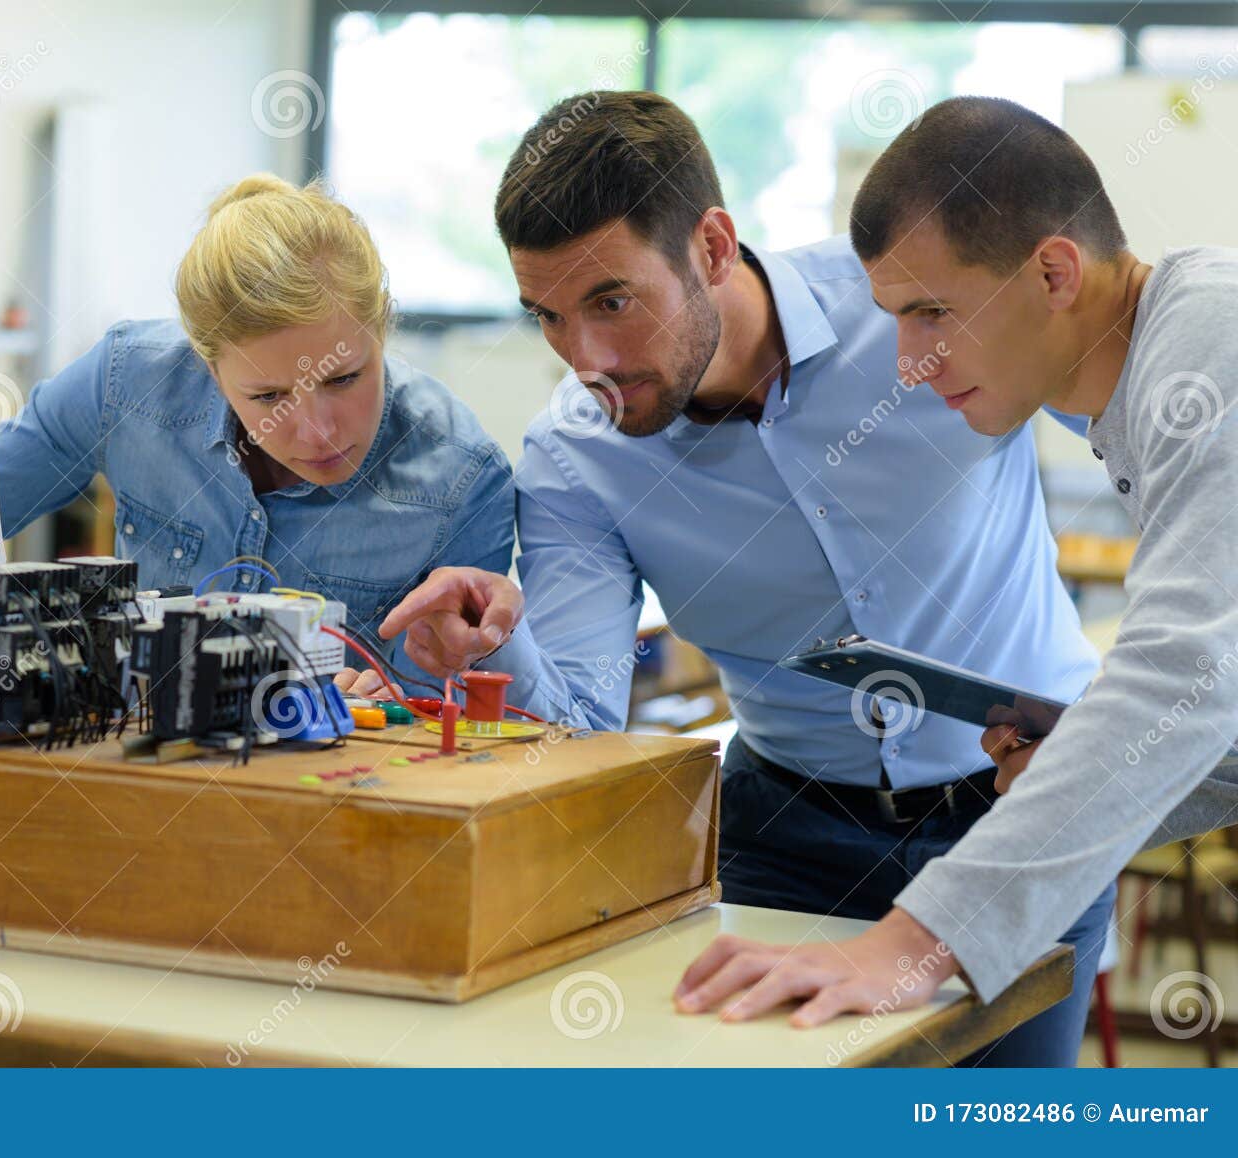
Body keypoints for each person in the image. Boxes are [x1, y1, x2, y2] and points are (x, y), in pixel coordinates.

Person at [373, 92, 1107, 1064]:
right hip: (783, 844)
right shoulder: (573, 456)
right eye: (547, 316)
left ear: (712, 247)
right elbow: (584, 722)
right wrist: (498, 648)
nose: (585, 358)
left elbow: (1123, 410)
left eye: (612, 302)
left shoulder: (917, 304)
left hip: (1020, 815)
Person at [673, 95, 1238, 1027]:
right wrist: (1076, 769)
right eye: (894, 317)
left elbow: (1183, 674)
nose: (910, 360)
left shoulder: (1206, 347)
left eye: (934, 310)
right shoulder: (1143, 385)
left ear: (1054, 272)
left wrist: (908, 946)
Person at [0, 174, 515, 679]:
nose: (317, 428)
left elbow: (459, 716)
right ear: (205, 360)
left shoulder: (463, 480)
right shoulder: (128, 380)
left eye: (344, 376)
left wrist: (425, 685)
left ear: (385, 326)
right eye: (269, 398)